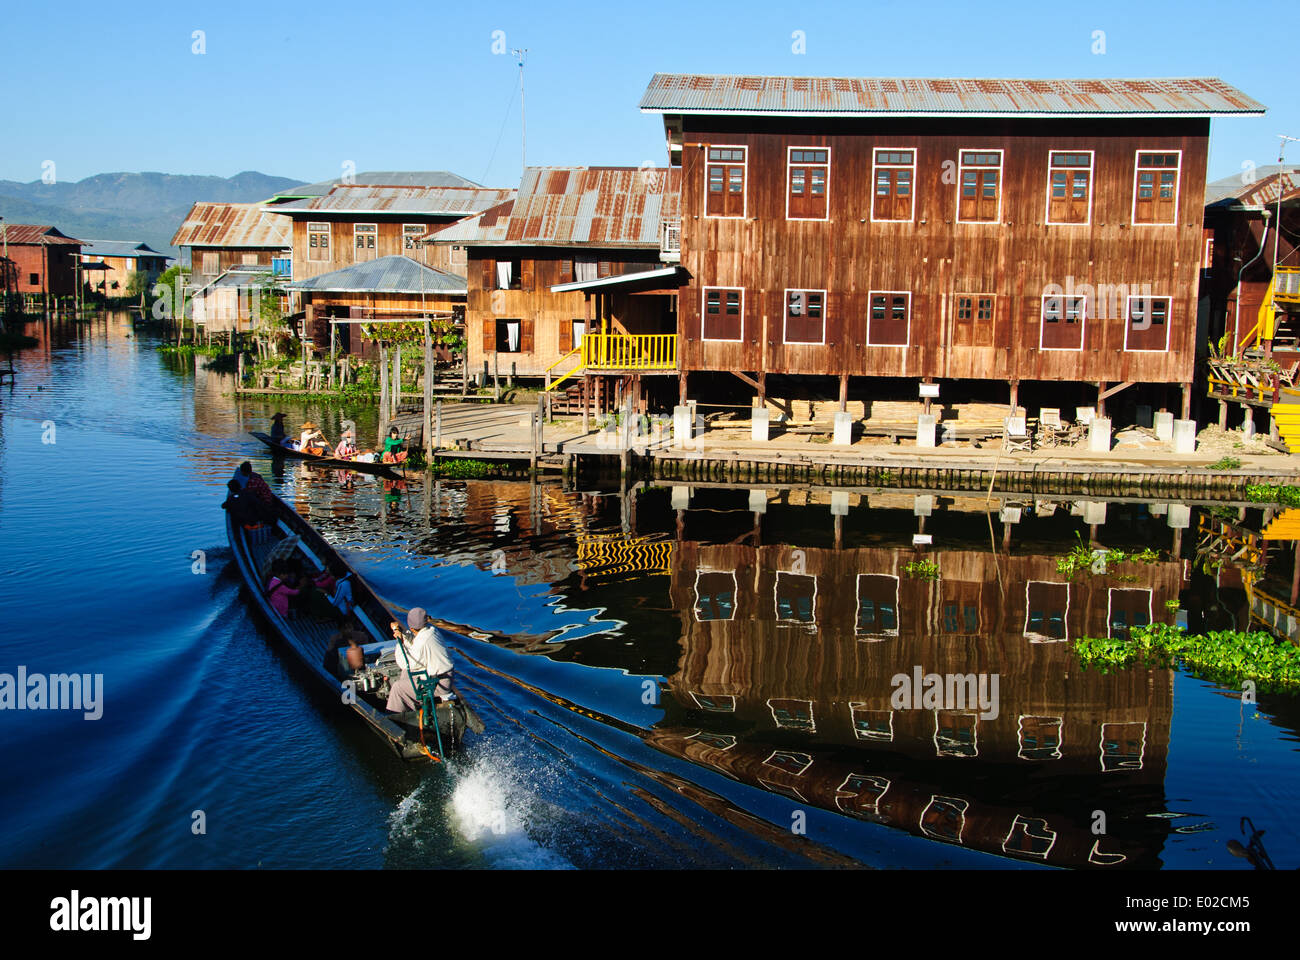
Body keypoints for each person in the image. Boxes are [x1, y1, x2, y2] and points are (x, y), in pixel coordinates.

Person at [386, 607, 453, 713]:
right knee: (405, 675)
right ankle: (410, 706)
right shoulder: (432, 631)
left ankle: (394, 717)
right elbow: (415, 642)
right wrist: (403, 634)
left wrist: (399, 642)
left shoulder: (423, 642)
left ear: (411, 627)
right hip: (445, 678)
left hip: (437, 685)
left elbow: (405, 664)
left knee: (397, 687)